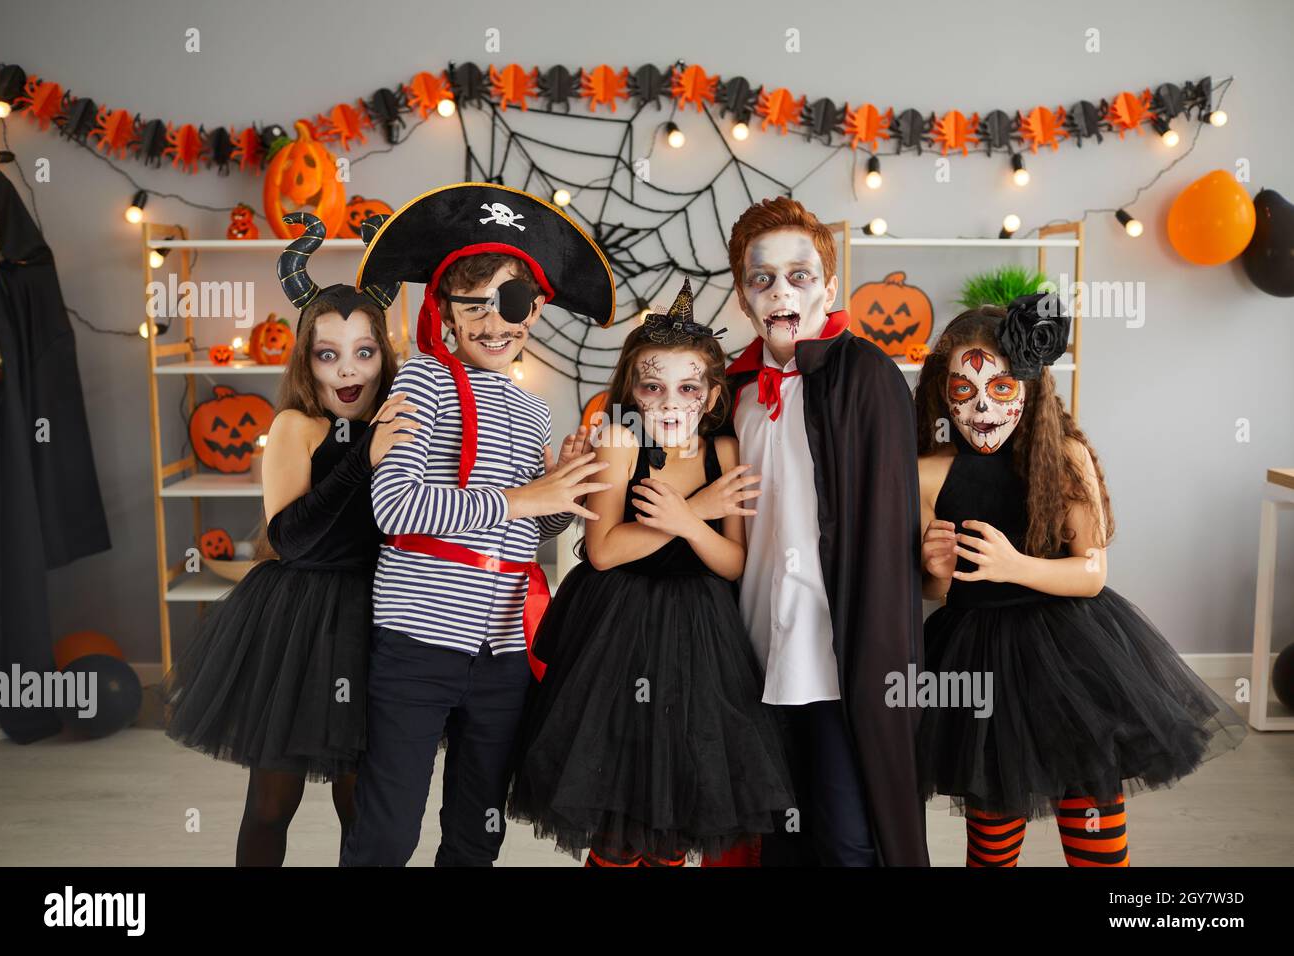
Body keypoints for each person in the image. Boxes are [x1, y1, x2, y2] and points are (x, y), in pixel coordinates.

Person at [914, 294, 1247, 866]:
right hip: (976, 660)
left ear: (1031, 386)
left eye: (1001, 389)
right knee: (992, 838)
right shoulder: (927, 474)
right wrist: (934, 573)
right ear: (943, 394)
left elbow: (1091, 573)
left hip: (1071, 653)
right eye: (965, 391)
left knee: (1094, 826)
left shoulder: (1064, 458)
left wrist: (1015, 566)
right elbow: (936, 590)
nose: (983, 407)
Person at [339, 183, 615, 867]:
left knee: (477, 832)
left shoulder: (531, 412)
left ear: (536, 310)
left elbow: (519, 534)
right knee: (387, 831)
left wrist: (563, 493)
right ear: (447, 313)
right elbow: (396, 509)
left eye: (513, 304)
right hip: (418, 643)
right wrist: (523, 498)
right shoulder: (420, 384)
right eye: (476, 306)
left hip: (501, 652)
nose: (496, 323)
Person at [507, 278, 794, 866]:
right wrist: (696, 512)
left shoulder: (725, 452)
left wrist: (693, 522)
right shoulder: (619, 441)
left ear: (713, 397)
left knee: (675, 815)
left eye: (688, 388)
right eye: (653, 386)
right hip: (619, 637)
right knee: (621, 817)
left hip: (701, 642)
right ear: (633, 391)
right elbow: (605, 549)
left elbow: (733, 562)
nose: (669, 401)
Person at [162, 212, 412, 865]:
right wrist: (363, 453)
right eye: (329, 353)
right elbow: (292, 539)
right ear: (307, 356)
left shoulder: (405, 418)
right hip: (297, 623)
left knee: (364, 805)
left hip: (380, 619)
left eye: (365, 350)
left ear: (384, 352)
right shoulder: (295, 427)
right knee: (271, 805)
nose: (348, 370)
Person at [715, 196, 929, 866]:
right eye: (762, 278)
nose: (782, 291)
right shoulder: (733, 390)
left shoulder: (866, 377)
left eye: (799, 275)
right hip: (754, 647)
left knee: (846, 837)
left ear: (828, 287)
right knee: (779, 837)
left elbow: (885, 533)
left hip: (838, 657)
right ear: (743, 297)